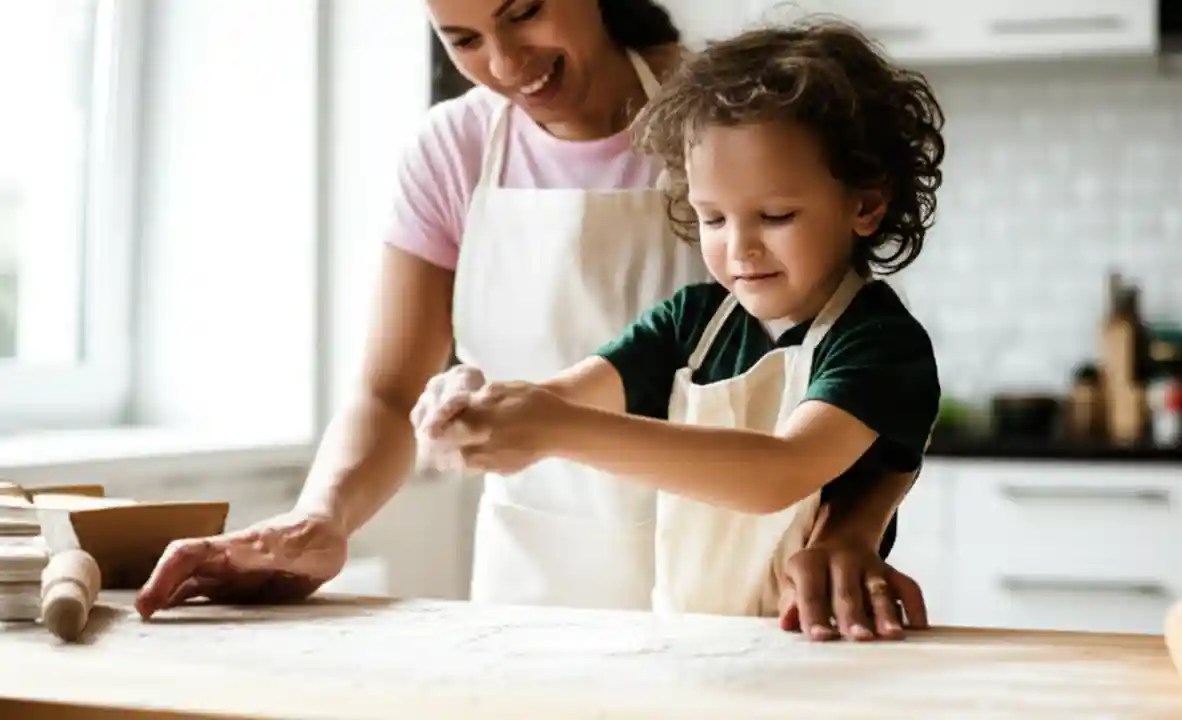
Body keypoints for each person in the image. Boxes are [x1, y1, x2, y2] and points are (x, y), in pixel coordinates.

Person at [135, 0, 927, 642]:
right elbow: (477, 392)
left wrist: (854, 529)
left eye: (525, 12)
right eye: (462, 38)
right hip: (533, 587)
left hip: (748, 617)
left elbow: (796, 465)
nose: (506, 63)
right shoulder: (687, 298)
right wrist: (468, 425)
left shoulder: (731, 115)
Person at [417, 17, 943, 633]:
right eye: (713, 218)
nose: (739, 249)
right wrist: (478, 408)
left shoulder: (878, 343)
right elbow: (565, 394)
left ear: (865, 204)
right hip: (686, 639)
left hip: (812, 642)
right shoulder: (692, 320)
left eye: (775, 216)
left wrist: (553, 428)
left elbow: (779, 471)